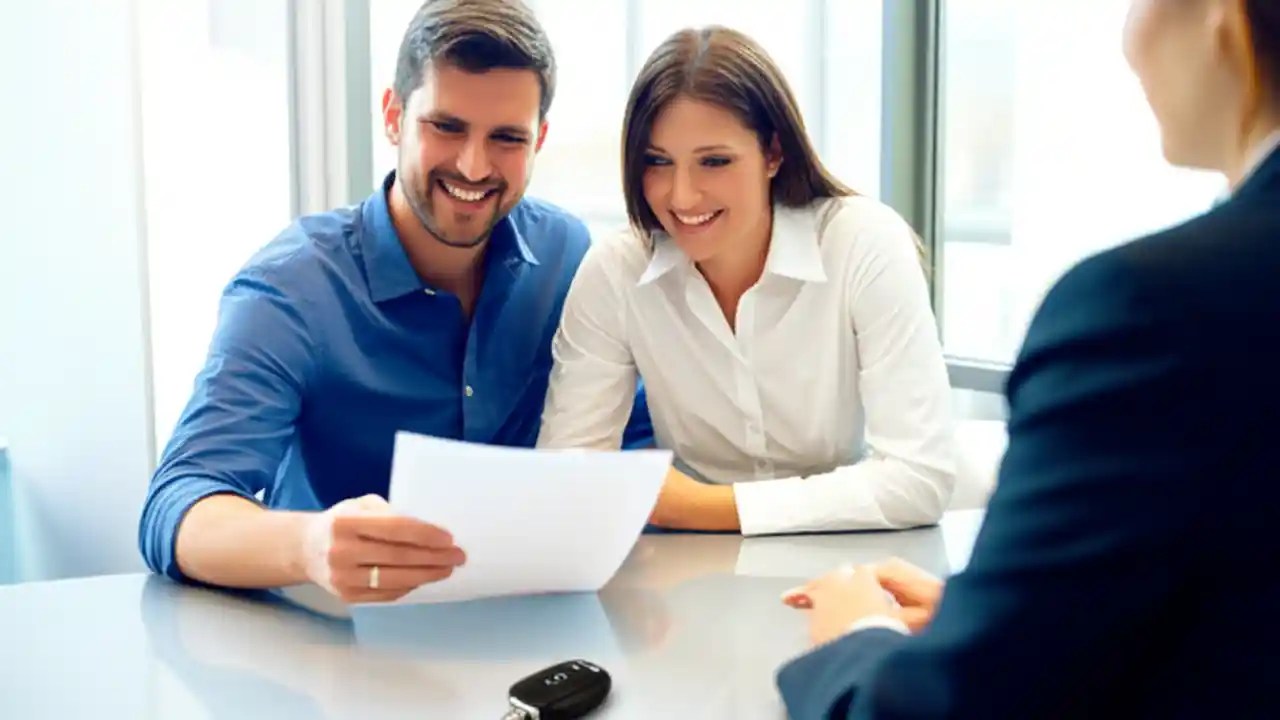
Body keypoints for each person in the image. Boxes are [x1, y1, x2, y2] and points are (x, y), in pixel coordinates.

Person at [776, 0, 1280, 716]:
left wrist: (855, 635)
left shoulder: (1149, 308)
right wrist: (1016, 609)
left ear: (1222, 20)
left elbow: (939, 709)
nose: (1129, 41)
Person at [137, 0, 649, 603]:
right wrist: (308, 545)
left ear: (538, 139)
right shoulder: (293, 288)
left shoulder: (565, 253)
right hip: (331, 646)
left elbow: (629, 444)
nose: (473, 165)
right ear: (392, 116)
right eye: (447, 127)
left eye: (506, 138)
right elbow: (178, 503)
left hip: (524, 625)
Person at [536, 26, 956, 536]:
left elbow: (919, 480)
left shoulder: (862, 243)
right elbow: (568, 476)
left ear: (773, 153)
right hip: (683, 575)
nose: (683, 196)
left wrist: (695, 506)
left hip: (847, 560)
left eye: (714, 161)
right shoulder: (617, 270)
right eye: (658, 162)